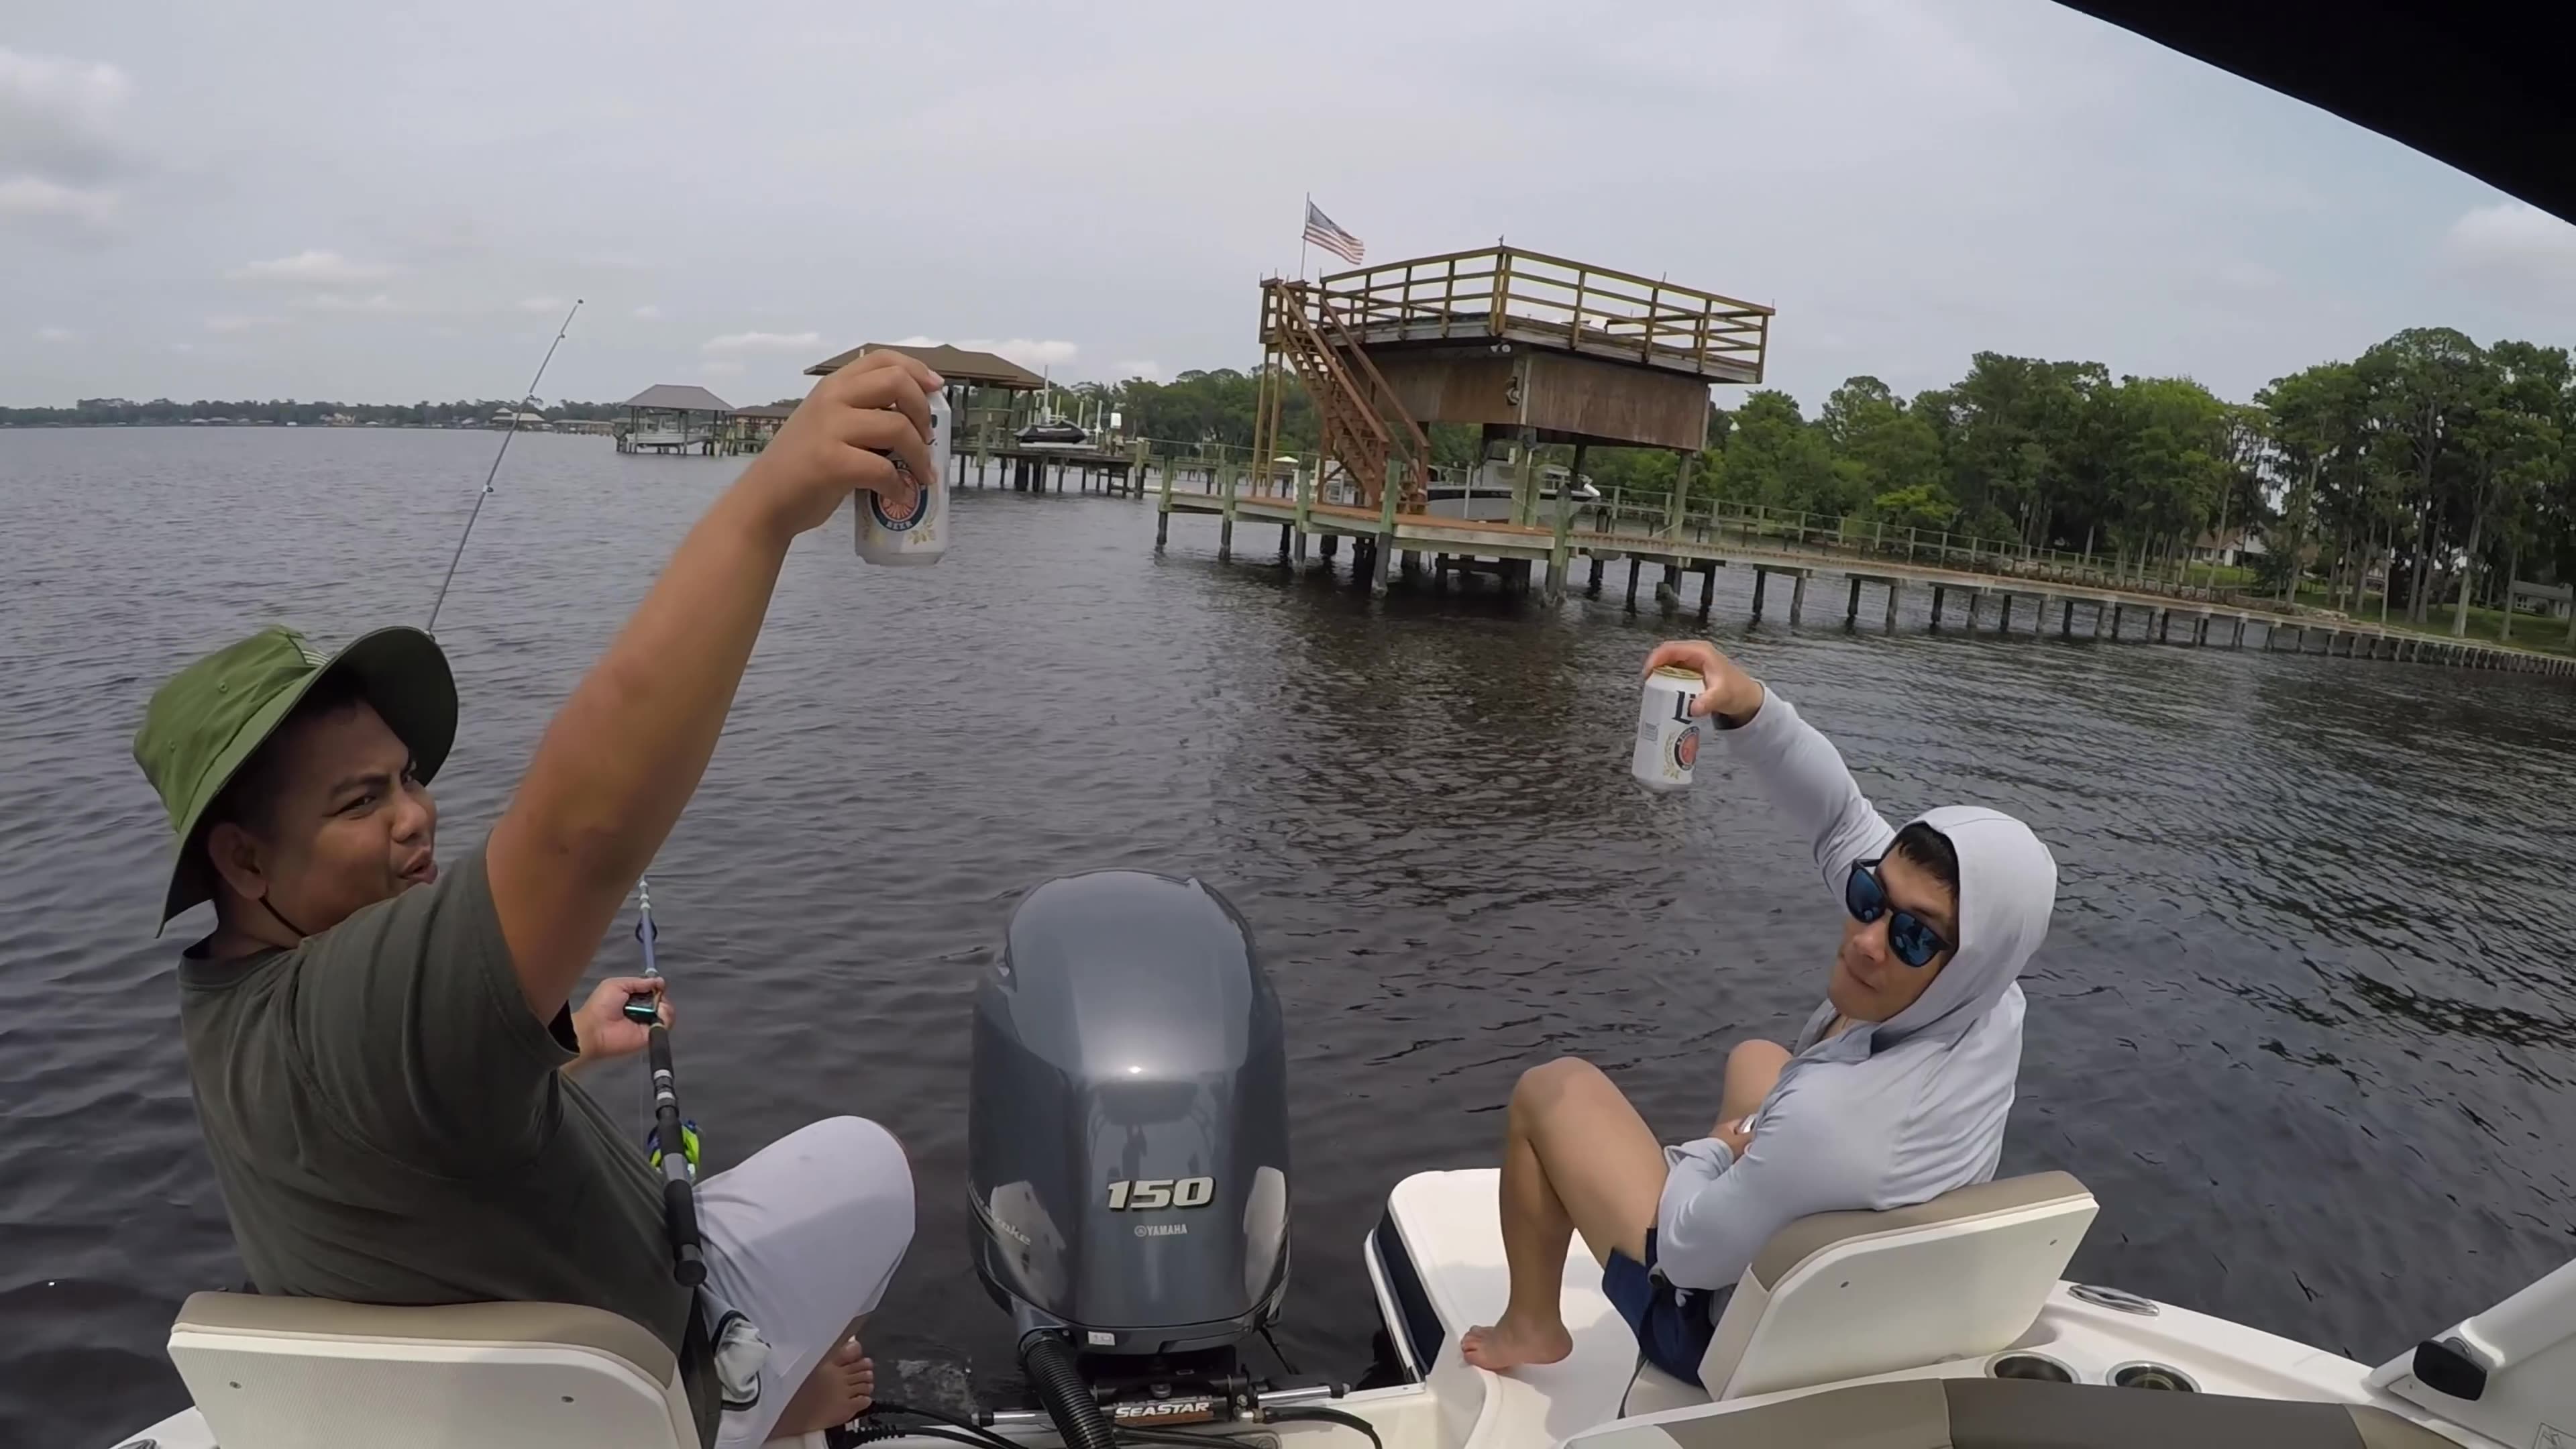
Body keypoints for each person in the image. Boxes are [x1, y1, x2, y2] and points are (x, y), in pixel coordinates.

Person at [130, 350, 950, 1448]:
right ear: (242, 862)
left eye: (410, 778)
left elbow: (398, 1136)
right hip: (641, 1391)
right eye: (361, 802)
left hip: (471, 1389)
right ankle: (765, 1403)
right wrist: (764, 510)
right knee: (869, 1164)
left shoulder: (233, 1004)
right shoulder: (352, 1016)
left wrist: (570, 1045)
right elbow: (582, 832)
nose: (417, 818)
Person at [1460, 638, 2059, 1387]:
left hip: (1721, 1337)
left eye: (1911, 936)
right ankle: (1751, 1174)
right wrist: (1750, 707)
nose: (1867, 941)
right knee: (1756, 1057)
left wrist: (1721, 1150)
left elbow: (1686, 1252)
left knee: (1553, 1090)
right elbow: (1841, 821)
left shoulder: (1831, 1124)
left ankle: (1532, 1325)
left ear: (1966, 959)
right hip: (1852, 1297)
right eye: (1869, 897)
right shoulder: (1992, 996)